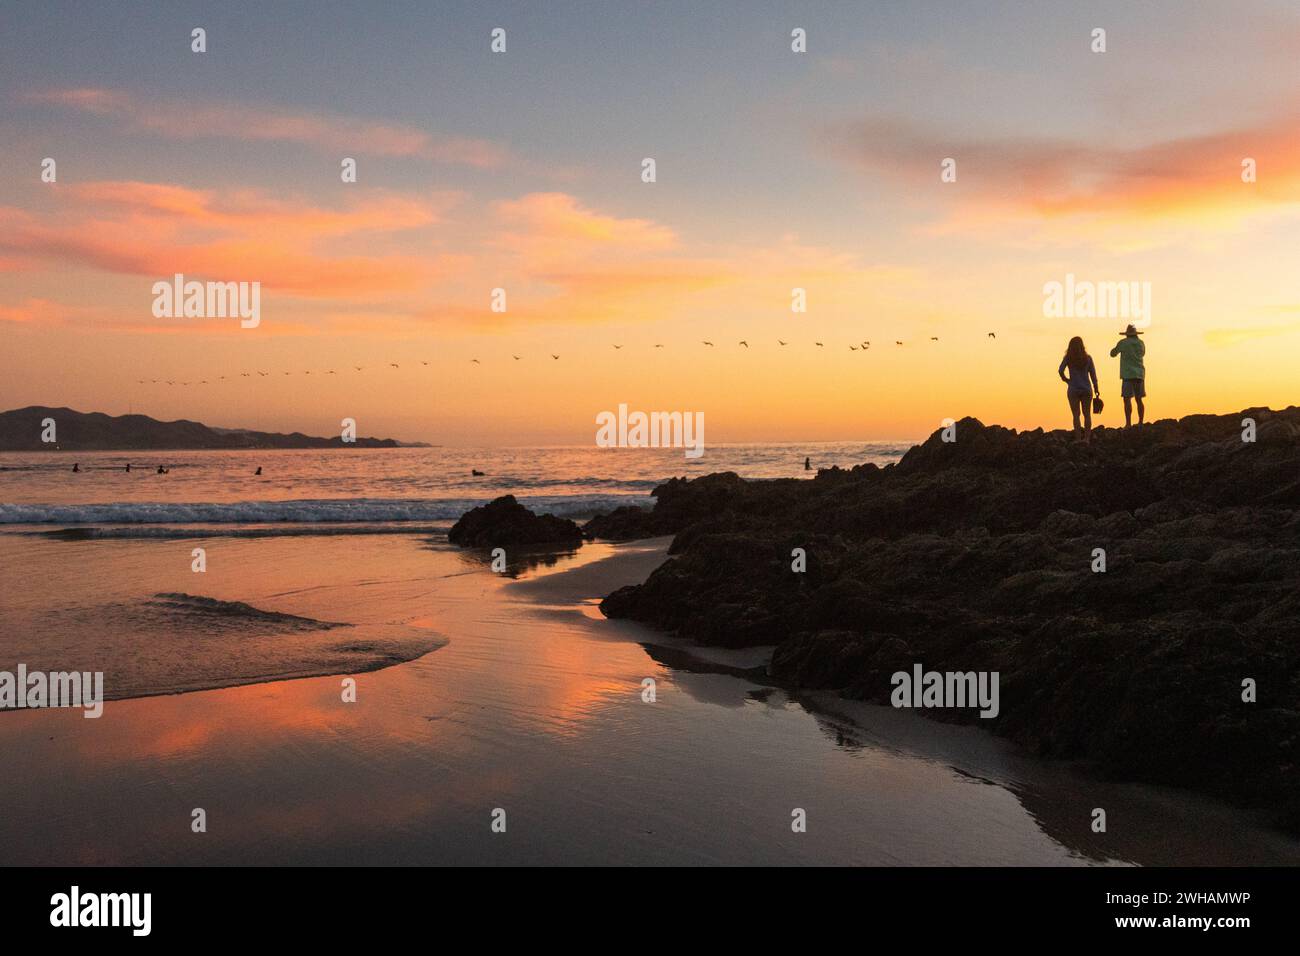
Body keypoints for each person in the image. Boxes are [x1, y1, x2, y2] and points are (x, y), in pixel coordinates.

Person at [1057, 336, 1100, 443]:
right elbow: (1093, 375)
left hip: (1073, 389)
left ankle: (1078, 438)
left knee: (1076, 415)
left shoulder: (1068, 358)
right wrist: (1096, 388)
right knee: (1087, 414)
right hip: (1086, 389)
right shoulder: (1088, 358)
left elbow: (1060, 370)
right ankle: (1086, 439)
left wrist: (1066, 380)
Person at [1109, 324, 1146, 427]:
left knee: (1127, 399)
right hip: (1139, 373)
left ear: (1127, 334)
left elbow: (1113, 354)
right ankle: (1140, 422)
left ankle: (1128, 423)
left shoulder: (1123, 343)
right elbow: (1142, 354)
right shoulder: (1141, 343)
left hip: (1127, 374)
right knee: (1139, 399)